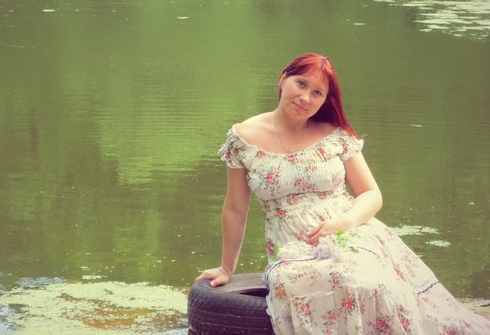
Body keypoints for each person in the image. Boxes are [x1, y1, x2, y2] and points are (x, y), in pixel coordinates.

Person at [195, 53, 490, 334]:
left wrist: (343, 223)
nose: (305, 98)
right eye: (301, 84)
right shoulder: (243, 138)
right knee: (311, 283)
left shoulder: (335, 135)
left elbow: (371, 194)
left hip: (350, 232)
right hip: (292, 246)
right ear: (283, 79)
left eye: (317, 93)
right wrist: (226, 268)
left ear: (325, 100)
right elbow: (235, 209)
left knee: (363, 281)